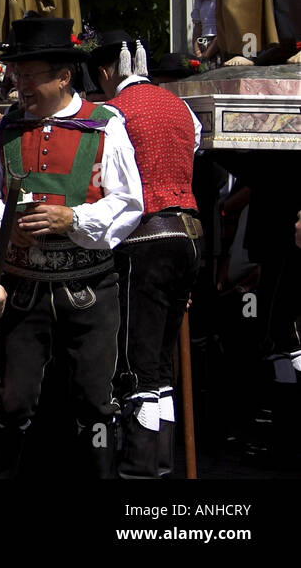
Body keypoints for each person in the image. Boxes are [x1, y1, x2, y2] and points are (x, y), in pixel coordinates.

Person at [0, 17, 143, 478]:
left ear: (63, 76)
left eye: (30, 75)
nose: (19, 85)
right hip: (24, 291)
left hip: (89, 289)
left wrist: (75, 220)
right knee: (13, 398)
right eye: (17, 75)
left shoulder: (105, 125)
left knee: (93, 399)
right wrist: (5, 226)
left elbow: (128, 202)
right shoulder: (7, 127)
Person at [87, 31, 202, 478]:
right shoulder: (181, 107)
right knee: (162, 362)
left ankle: (138, 467)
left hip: (146, 240)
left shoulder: (112, 114)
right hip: (190, 236)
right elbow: (191, 154)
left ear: (105, 72)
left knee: (137, 365)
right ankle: (162, 461)